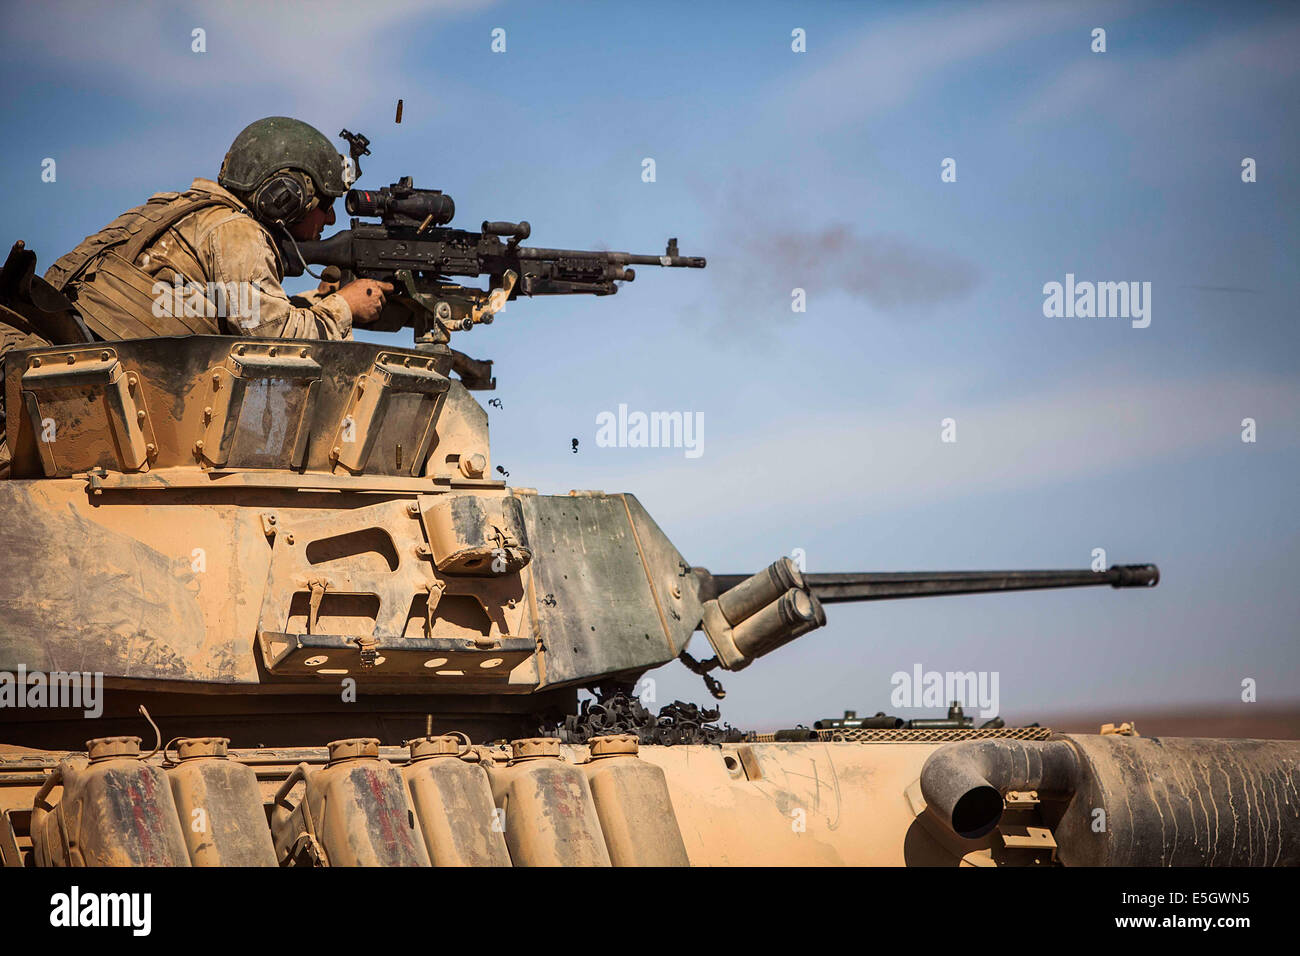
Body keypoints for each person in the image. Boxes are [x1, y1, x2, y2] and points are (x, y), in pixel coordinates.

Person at [43, 116, 392, 341]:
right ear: (285, 198)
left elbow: (226, 305)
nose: (330, 220)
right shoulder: (236, 232)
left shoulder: (176, 208)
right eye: (326, 205)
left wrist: (317, 301)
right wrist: (345, 307)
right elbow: (278, 340)